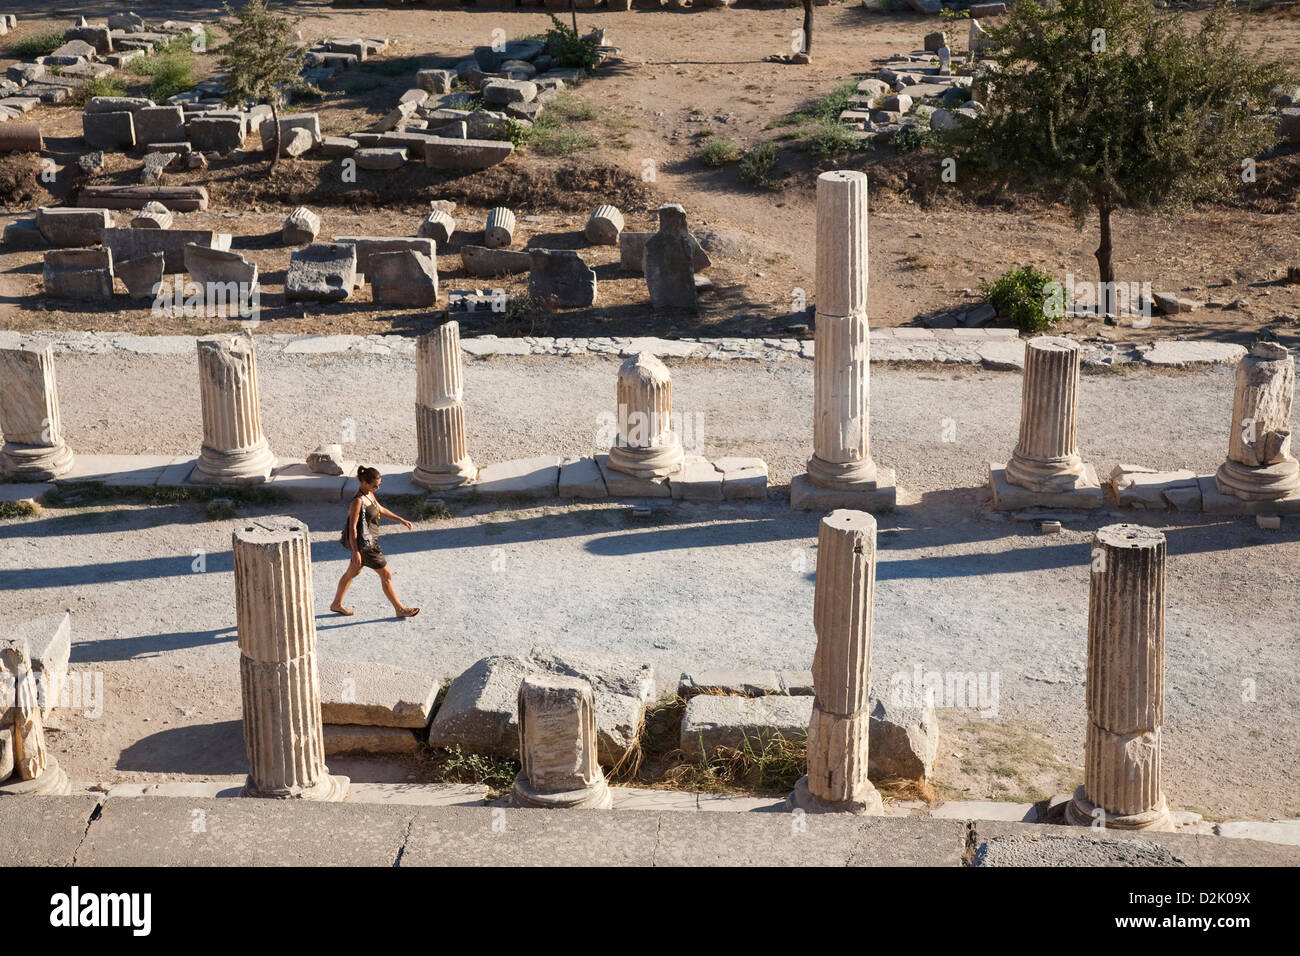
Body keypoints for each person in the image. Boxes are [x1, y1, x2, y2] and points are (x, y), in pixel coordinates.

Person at [331, 466, 420, 619]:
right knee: (386, 574)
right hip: (367, 547)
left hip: (368, 543)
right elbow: (353, 529)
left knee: (353, 572)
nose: (377, 488)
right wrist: (356, 552)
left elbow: (380, 509)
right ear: (364, 482)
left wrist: (401, 520)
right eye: (374, 485)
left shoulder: (369, 494)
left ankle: (336, 604)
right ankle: (400, 609)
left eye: (379, 484)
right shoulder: (357, 501)